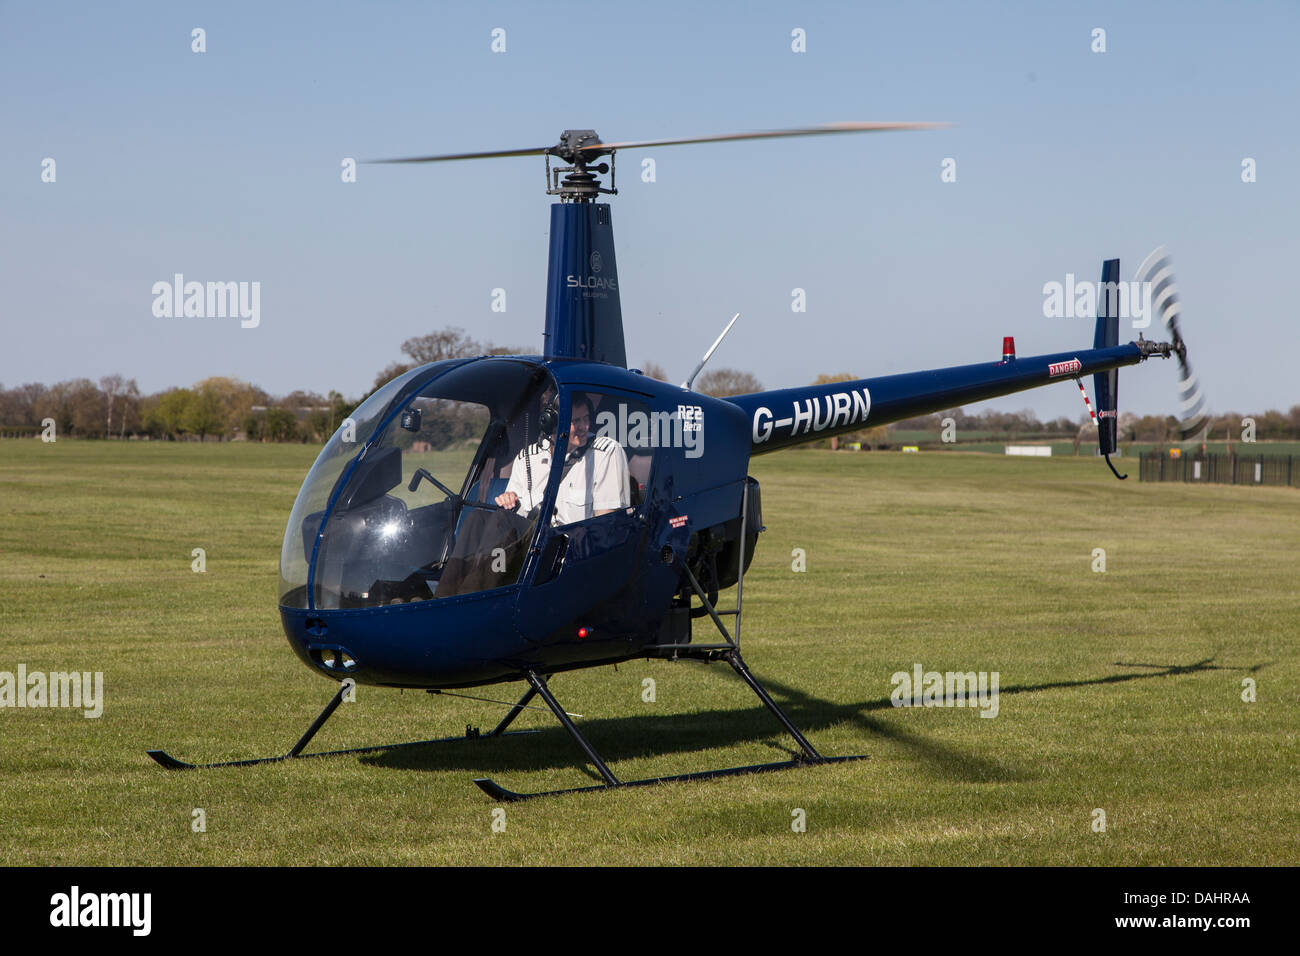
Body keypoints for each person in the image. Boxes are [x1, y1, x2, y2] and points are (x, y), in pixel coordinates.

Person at [495, 392, 629, 525]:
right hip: (529, 543)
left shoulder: (605, 453)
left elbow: (605, 528)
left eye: (586, 418)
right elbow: (511, 522)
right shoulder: (526, 459)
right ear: (550, 423)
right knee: (479, 520)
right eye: (575, 421)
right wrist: (508, 500)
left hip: (576, 544)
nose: (584, 427)